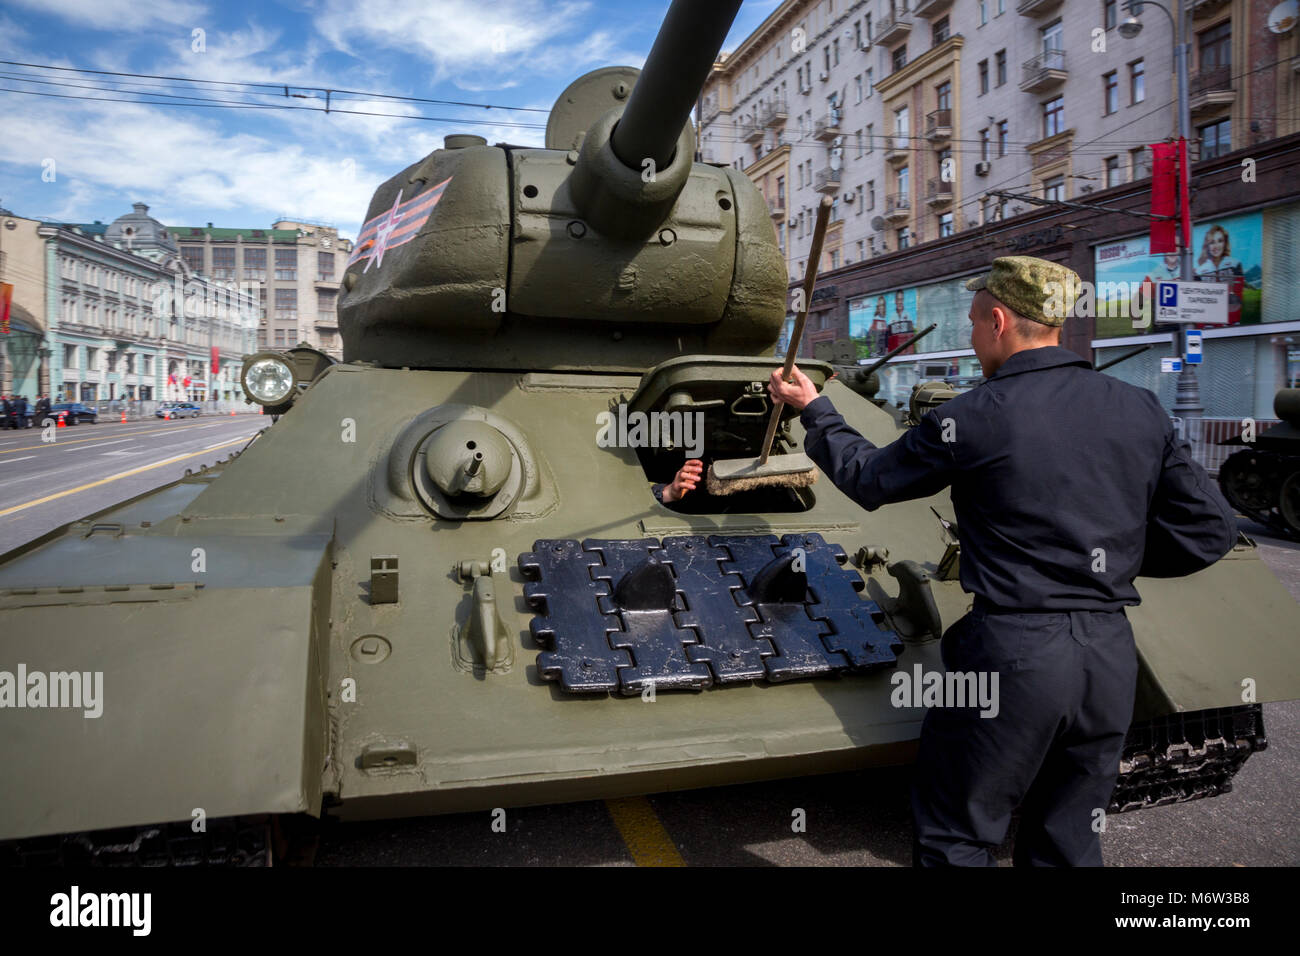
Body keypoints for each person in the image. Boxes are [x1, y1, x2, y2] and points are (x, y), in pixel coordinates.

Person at [768, 255, 1237, 867]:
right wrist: (1100, 565)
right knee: (1070, 839)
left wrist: (818, 410)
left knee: (959, 834)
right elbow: (1211, 530)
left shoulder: (973, 415)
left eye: (972, 321)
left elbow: (870, 479)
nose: (970, 333)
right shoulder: (1138, 407)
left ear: (998, 320)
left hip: (1012, 654)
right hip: (1108, 657)